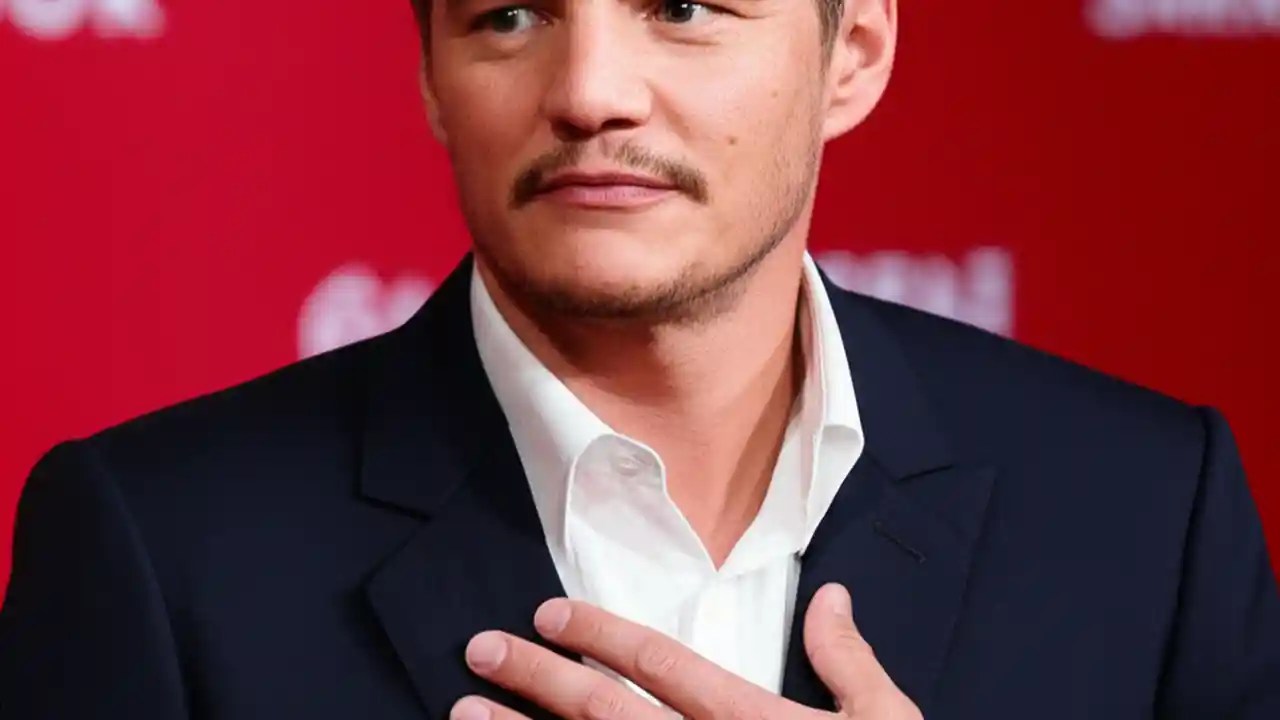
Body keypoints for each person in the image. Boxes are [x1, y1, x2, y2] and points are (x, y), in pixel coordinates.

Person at [2, 0, 1278, 716]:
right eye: (508, 15)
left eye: (680, 6)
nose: (591, 89)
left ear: (855, 54)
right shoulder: (157, 547)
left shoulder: (1148, 513)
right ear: (433, 79)